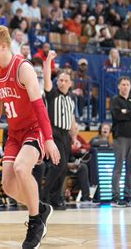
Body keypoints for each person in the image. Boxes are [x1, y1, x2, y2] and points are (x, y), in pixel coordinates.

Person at [0, 26, 60, 248]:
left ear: (3, 46)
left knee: (21, 168)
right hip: (14, 133)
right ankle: (41, 209)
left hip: (34, 128)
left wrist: (48, 139)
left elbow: (40, 106)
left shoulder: (23, 68)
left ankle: (35, 223)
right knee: (9, 187)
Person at [40, 50, 77, 210]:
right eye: (60, 80)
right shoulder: (52, 94)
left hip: (66, 135)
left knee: (63, 169)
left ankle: (55, 198)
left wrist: (74, 136)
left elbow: (72, 119)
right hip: (53, 133)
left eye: (65, 80)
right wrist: (48, 60)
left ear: (70, 83)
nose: (62, 82)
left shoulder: (72, 98)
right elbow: (47, 77)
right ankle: (43, 196)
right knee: (59, 165)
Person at [110, 76, 131, 208]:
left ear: (130, 87)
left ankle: (128, 196)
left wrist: (126, 112)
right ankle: (115, 197)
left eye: (127, 84)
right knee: (118, 167)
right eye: (123, 84)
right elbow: (117, 115)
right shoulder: (115, 100)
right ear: (119, 86)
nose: (125, 87)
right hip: (120, 136)